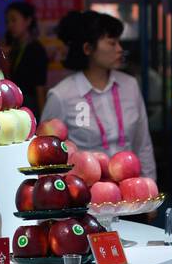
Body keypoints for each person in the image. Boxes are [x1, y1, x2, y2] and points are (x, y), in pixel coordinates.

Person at [40, 10, 156, 178]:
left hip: (130, 193)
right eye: (112, 43)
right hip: (85, 196)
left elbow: (143, 144)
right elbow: (47, 155)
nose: (119, 49)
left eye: (119, 42)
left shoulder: (130, 86)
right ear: (88, 48)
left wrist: (149, 189)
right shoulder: (61, 96)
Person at [4, 1, 49, 116]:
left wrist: (43, 116)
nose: (10, 25)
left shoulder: (36, 50)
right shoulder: (12, 48)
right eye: (7, 21)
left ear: (28, 21)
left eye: (14, 20)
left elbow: (40, 87)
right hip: (14, 105)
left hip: (30, 107)